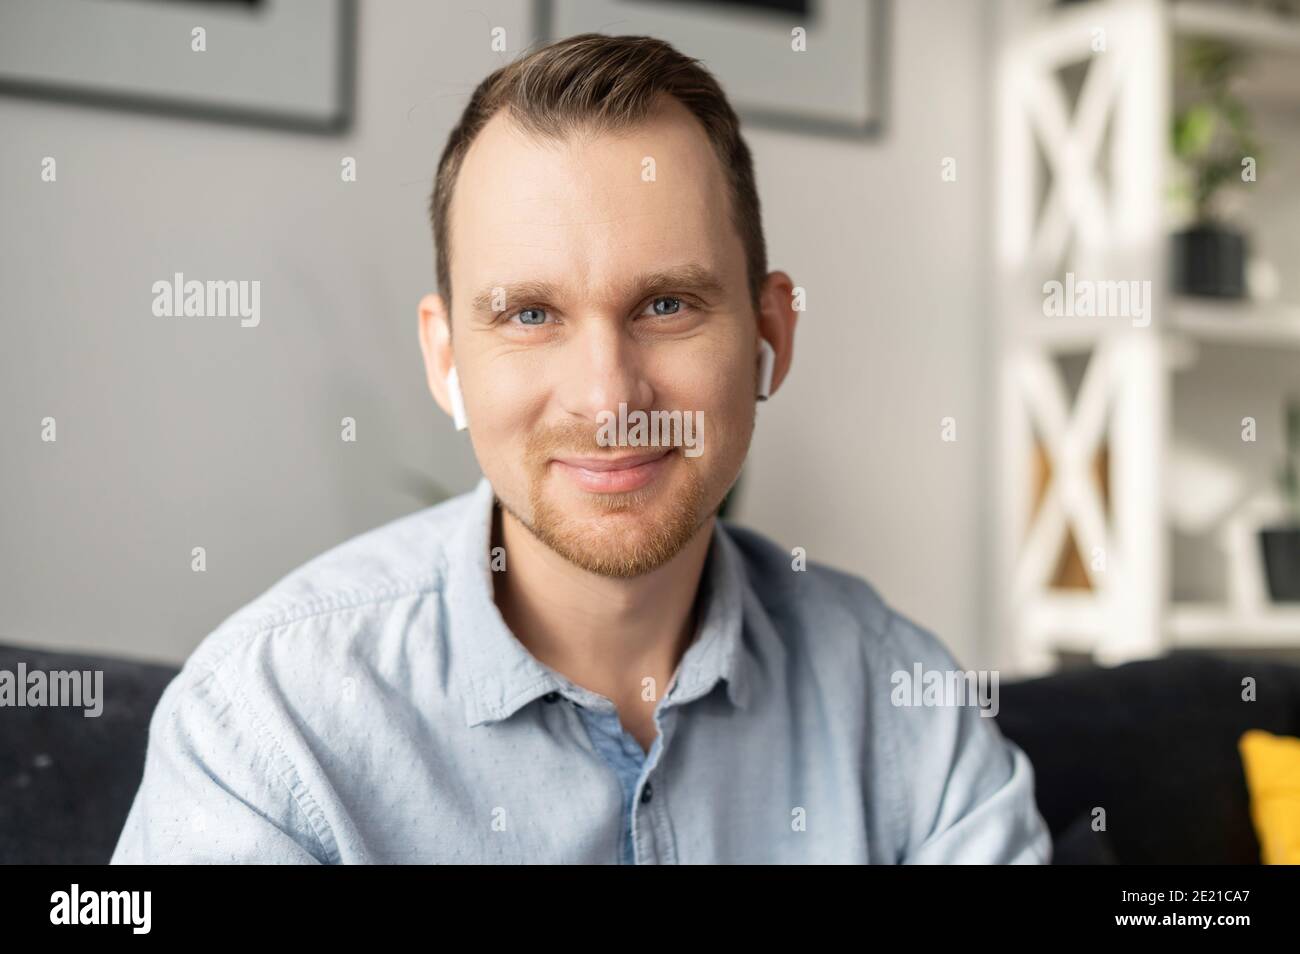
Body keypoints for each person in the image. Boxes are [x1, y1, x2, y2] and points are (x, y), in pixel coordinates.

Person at [112, 33, 1051, 864]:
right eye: (529, 314)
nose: (609, 397)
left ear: (773, 332)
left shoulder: (902, 705)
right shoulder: (268, 727)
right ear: (446, 361)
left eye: (668, 305)